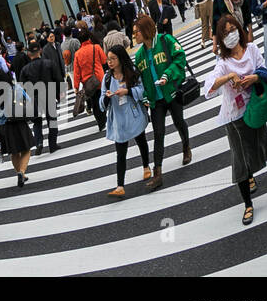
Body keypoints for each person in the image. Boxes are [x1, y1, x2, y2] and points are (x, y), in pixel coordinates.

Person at [205, 14, 267, 226]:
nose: (230, 35)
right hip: (234, 115)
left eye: (232, 29)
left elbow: (265, 70)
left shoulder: (251, 49)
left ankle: (251, 175)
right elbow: (209, 86)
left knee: (257, 149)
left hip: (254, 107)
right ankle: (247, 204)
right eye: (225, 33)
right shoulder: (223, 62)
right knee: (240, 159)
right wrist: (229, 77)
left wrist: (256, 77)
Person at [131, 13, 192, 190]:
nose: (134, 35)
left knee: (179, 122)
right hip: (155, 100)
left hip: (171, 92)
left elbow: (180, 57)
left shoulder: (165, 40)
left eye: (137, 32)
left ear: (146, 30)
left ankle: (186, 146)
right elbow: (141, 80)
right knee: (158, 134)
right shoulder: (140, 55)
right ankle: (158, 173)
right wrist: (144, 97)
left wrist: (168, 74)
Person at [97, 44, 151, 198]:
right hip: (119, 119)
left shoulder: (131, 72)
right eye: (108, 59)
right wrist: (106, 98)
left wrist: (127, 91)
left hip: (133, 114)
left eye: (113, 59)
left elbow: (142, 91)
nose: (110, 62)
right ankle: (120, 185)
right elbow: (101, 101)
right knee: (121, 153)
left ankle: (146, 167)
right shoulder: (107, 78)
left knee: (141, 140)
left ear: (121, 59)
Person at [0, 64, 34, 186]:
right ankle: (22, 172)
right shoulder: (15, 88)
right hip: (18, 122)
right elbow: (28, 100)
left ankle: (20, 173)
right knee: (26, 149)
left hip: (3, 127)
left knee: (14, 152)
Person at [72, 25, 108, 133]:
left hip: (88, 83)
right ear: (89, 38)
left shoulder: (77, 54)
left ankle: (101, 123)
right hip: (99, 78)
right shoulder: (96, 47)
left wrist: (76, 87)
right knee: (103, 97)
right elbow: (103, 61)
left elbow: (76, 72)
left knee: (94, 103)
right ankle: (106, 118)